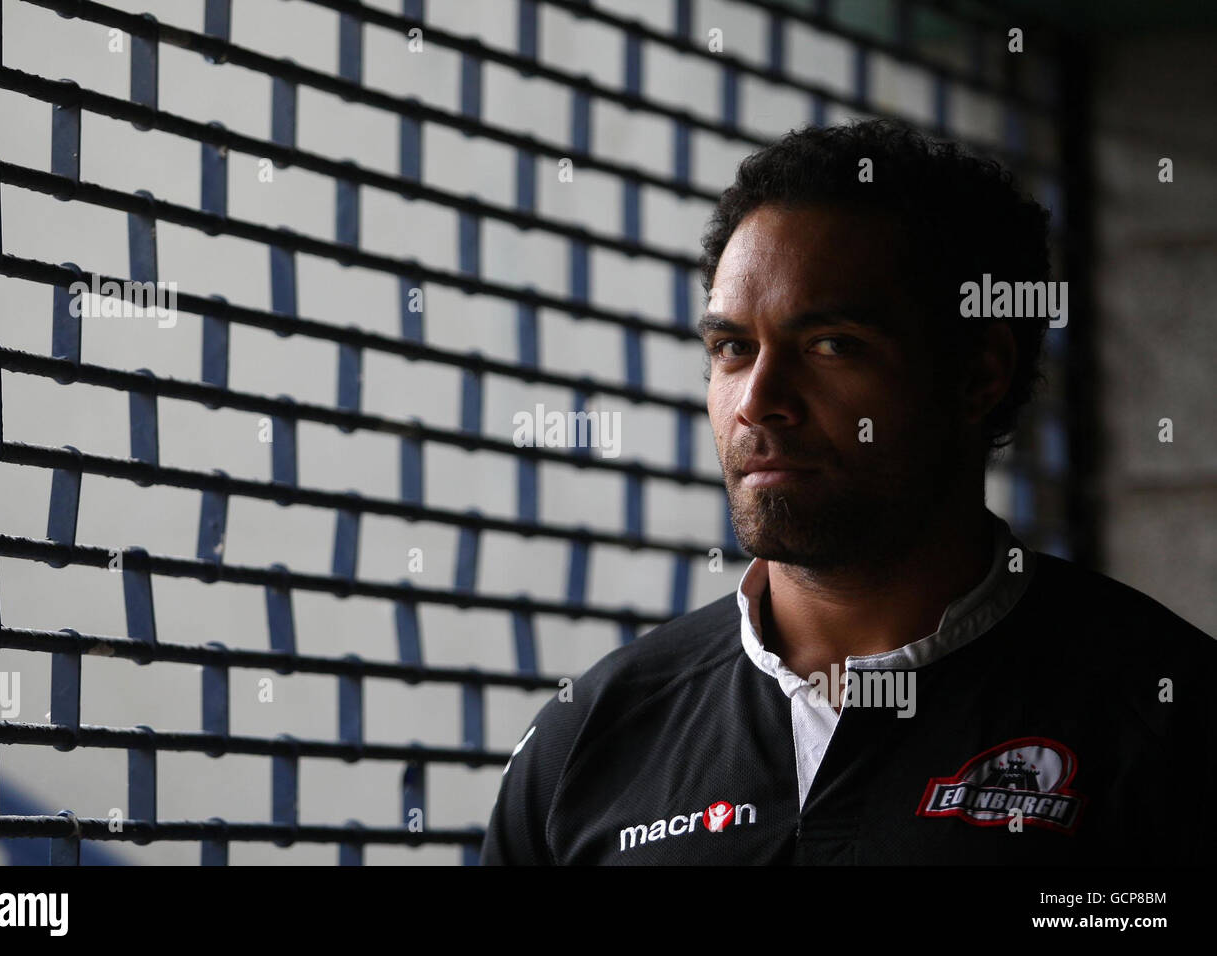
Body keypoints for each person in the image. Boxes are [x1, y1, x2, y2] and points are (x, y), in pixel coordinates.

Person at [479, 119, 1216, 865]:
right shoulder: (594, 737)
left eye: (831, 346)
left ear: (976, 374)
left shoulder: (1166, 714)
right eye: (733, 348)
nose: (759, 401)